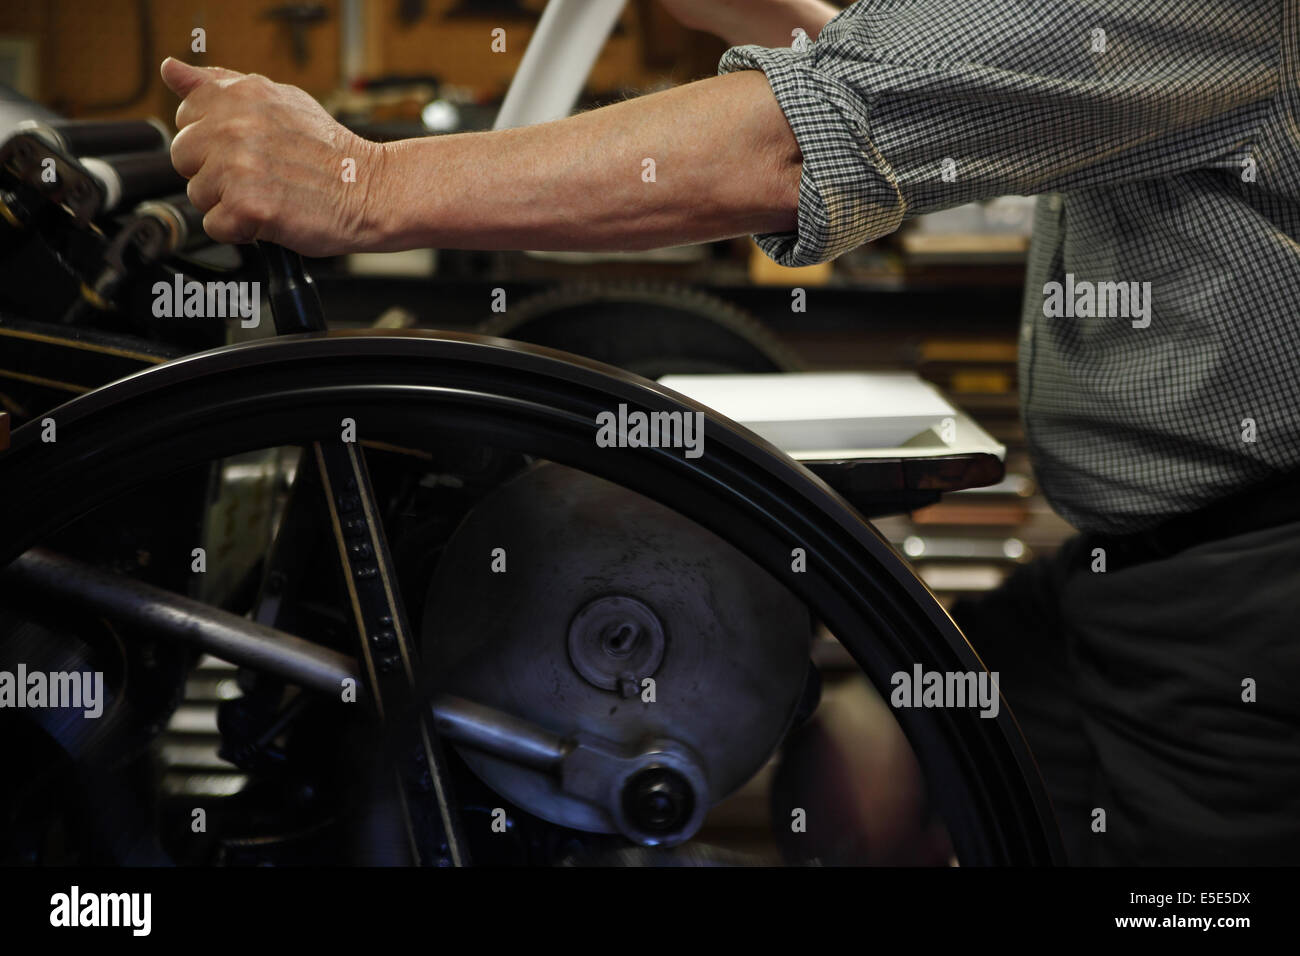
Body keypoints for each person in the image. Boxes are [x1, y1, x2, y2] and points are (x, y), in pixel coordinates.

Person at [160, 0, 1300, 865]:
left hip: (1249, 594)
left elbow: (801, 138)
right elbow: (957, 66)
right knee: (887, 757)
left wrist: (361, 183)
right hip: (1137, 565)